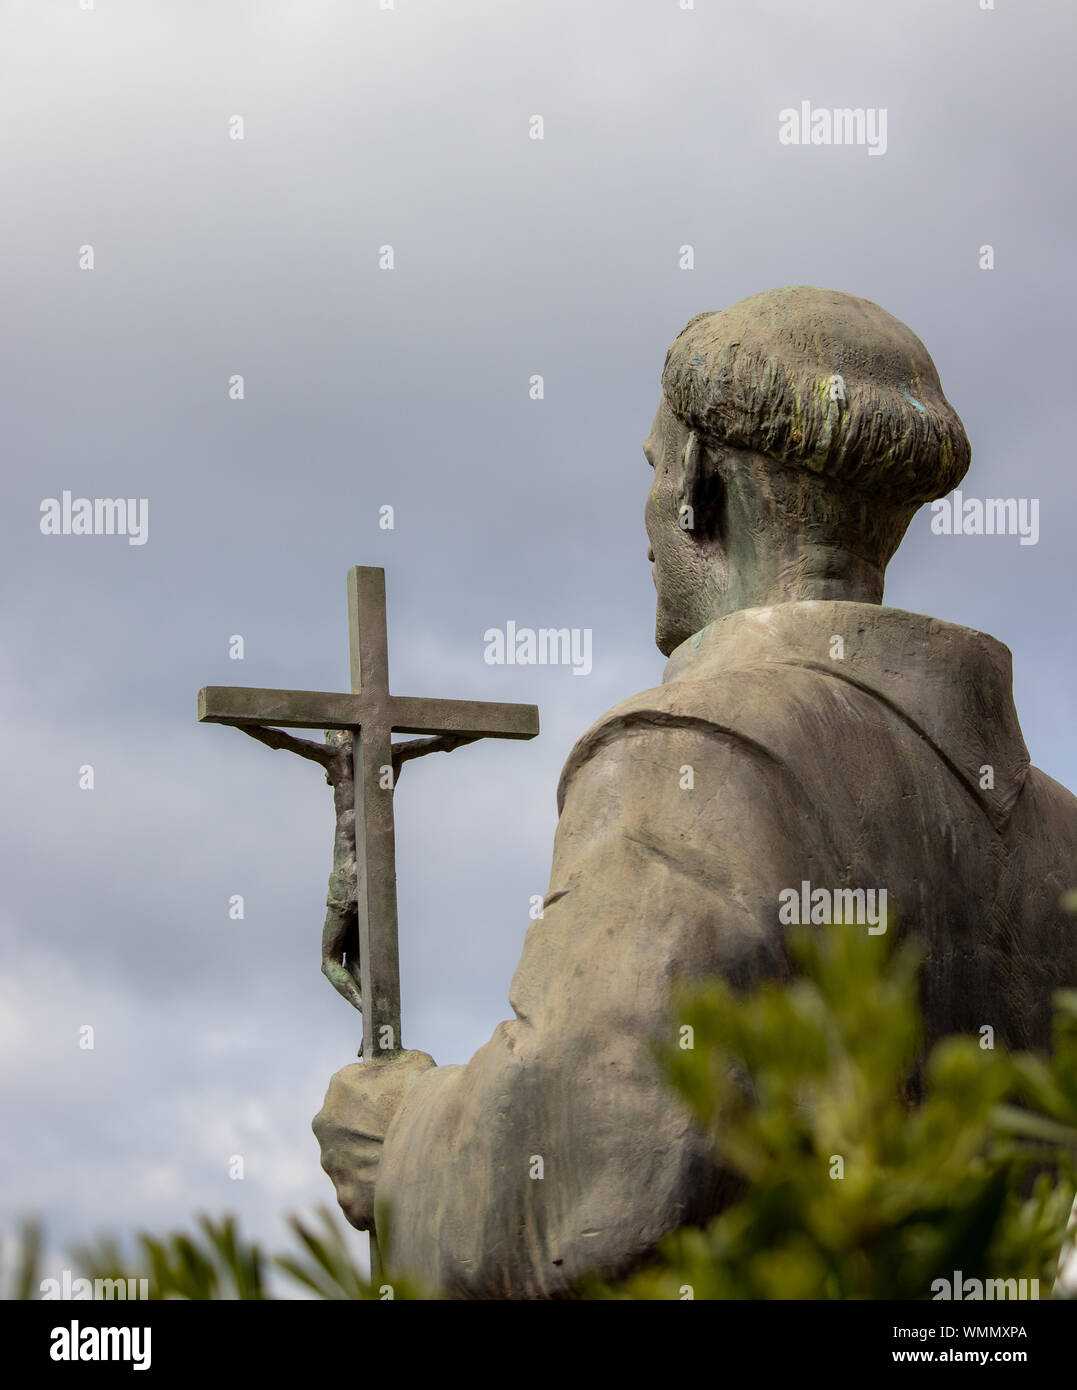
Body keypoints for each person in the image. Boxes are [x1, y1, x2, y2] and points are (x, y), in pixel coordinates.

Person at [313, 285, 1077, 1298]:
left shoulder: (697, 753)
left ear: (699, 485)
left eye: (653, 466)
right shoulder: (1057, 832)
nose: (644, 523)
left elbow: (598, 1143)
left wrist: (402, 1139)